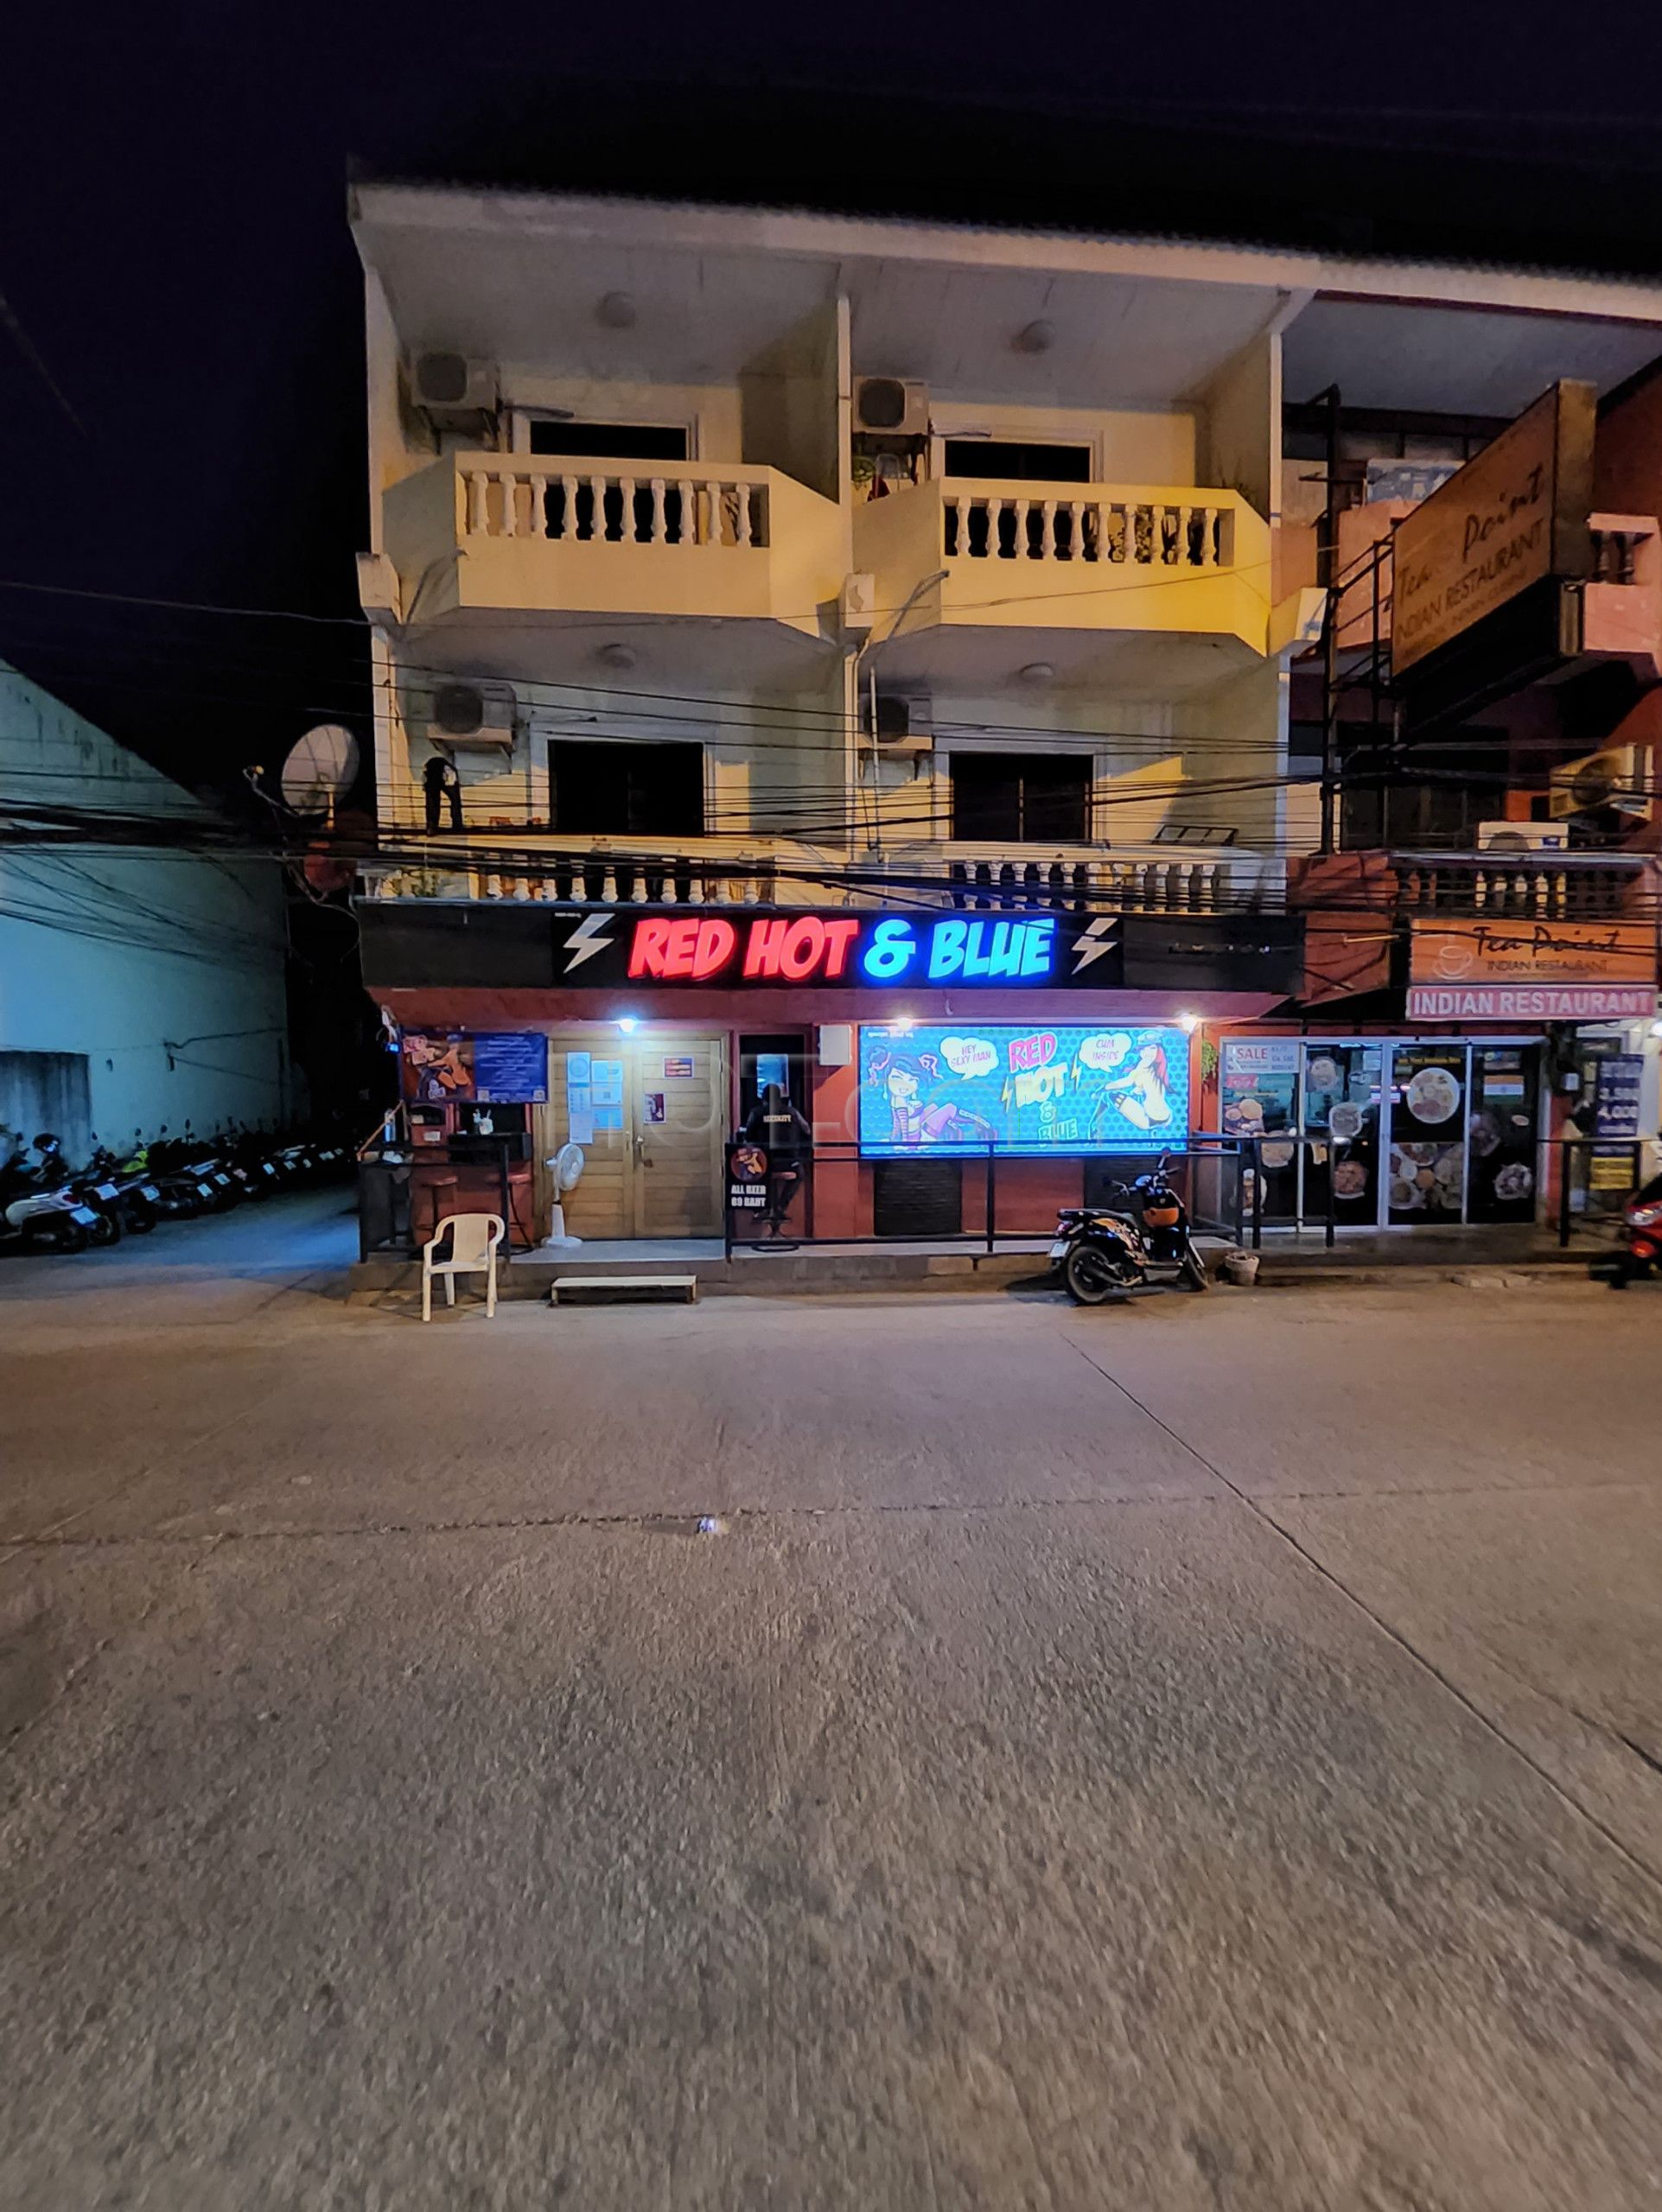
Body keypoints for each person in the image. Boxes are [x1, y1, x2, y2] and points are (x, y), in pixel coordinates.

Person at [742, 1084, 811, 1236]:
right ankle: (780, 1207)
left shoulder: (757, 1113)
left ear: (763, 1098)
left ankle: (762, 1208)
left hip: (765, 1162)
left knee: (749, 1173)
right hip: (790, 1161)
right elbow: (806, 1130)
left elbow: (748, 1137)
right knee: (799, 1175)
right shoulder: (792, 1112)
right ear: (780, 1098)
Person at [423, 752, 462, 833]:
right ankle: (456, 824)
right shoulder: (444, 767)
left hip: (435, 781)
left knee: (433, 803)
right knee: (453, 800)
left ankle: (432, 825)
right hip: (437, 781)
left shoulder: (437, 767)